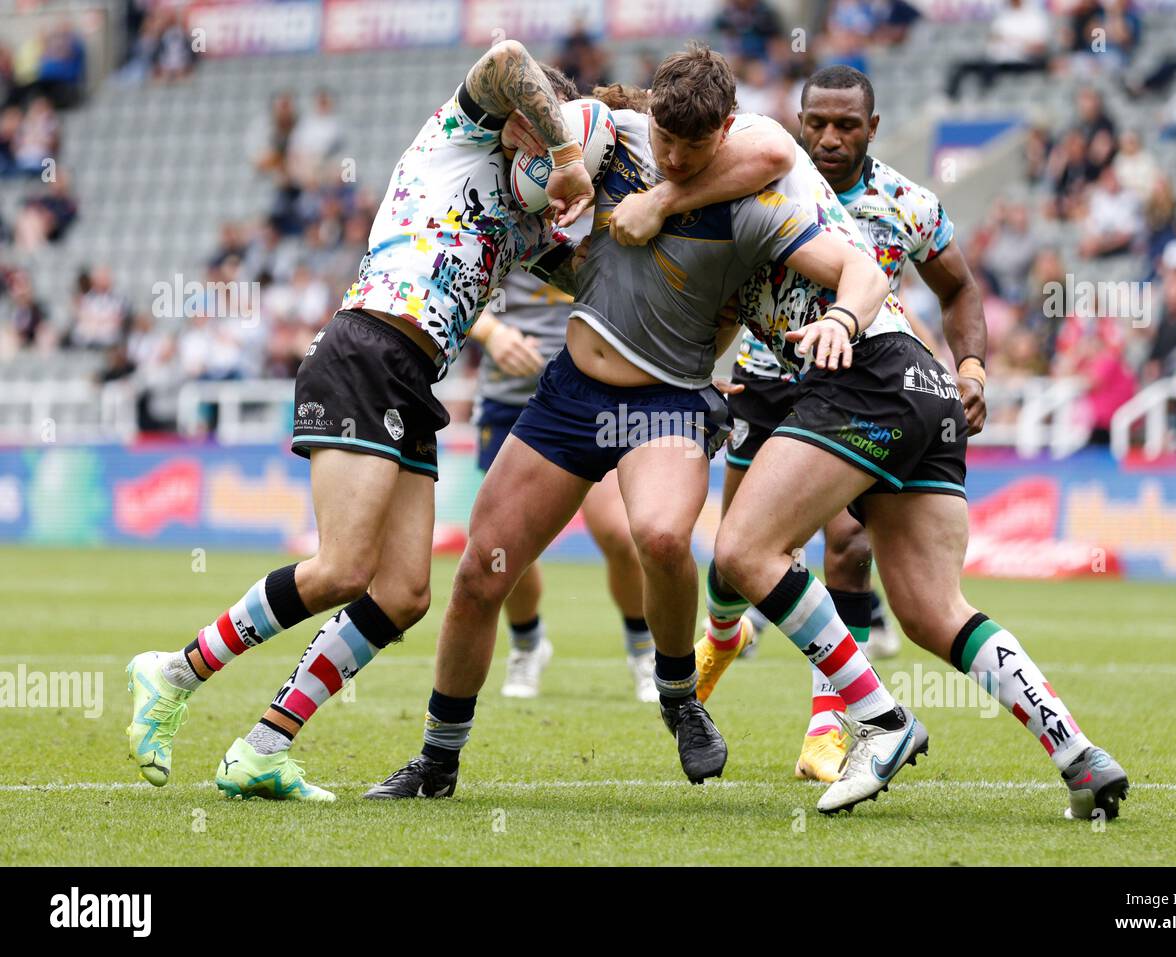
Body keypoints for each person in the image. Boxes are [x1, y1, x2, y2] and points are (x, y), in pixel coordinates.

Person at [363, 43, 893, 800]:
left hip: (671, 401)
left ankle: (678, 697)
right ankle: (437, 759)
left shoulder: (754, 188)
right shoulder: (610, 135)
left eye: (692, 145)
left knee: (665, 537)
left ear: (725, 129)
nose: (673, 157)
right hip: (572, 393)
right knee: (484, 570)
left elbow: (783, 152)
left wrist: (839, 311)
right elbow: (542, 119)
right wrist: (558, 161)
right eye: (665, 141)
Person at [125, 40, 596, 801]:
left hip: (412, 380)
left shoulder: (525, 217)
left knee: (405, 592)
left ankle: (263, 745)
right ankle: (172, 671)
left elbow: (598, 281)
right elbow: (508, 55)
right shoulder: (460, 135)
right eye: (535, 128)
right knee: (342, 569)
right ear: (519, 121)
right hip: (366, 348)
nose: (536, 146)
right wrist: (571, 151)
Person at [680, 65, 989, 783]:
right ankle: (723, 633)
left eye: (846, 125)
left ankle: (828, 726)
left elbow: (959, 287)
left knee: (847, 548)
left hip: (860, 389)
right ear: (797, 120)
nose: (828, 136)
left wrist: (970, 369)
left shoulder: (907, 204)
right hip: (768, 376)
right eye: (815, 121)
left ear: (872, 129)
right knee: (738, 554)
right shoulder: (763, 185)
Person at [469, 268, 656, 702]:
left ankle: (643, 650)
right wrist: (493, 333)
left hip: (593, 393)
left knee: (619, 533)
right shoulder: (502, 209)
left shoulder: (615, 207)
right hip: (510, 396)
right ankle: (528, 643)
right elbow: (449, 288)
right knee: (503, 548)